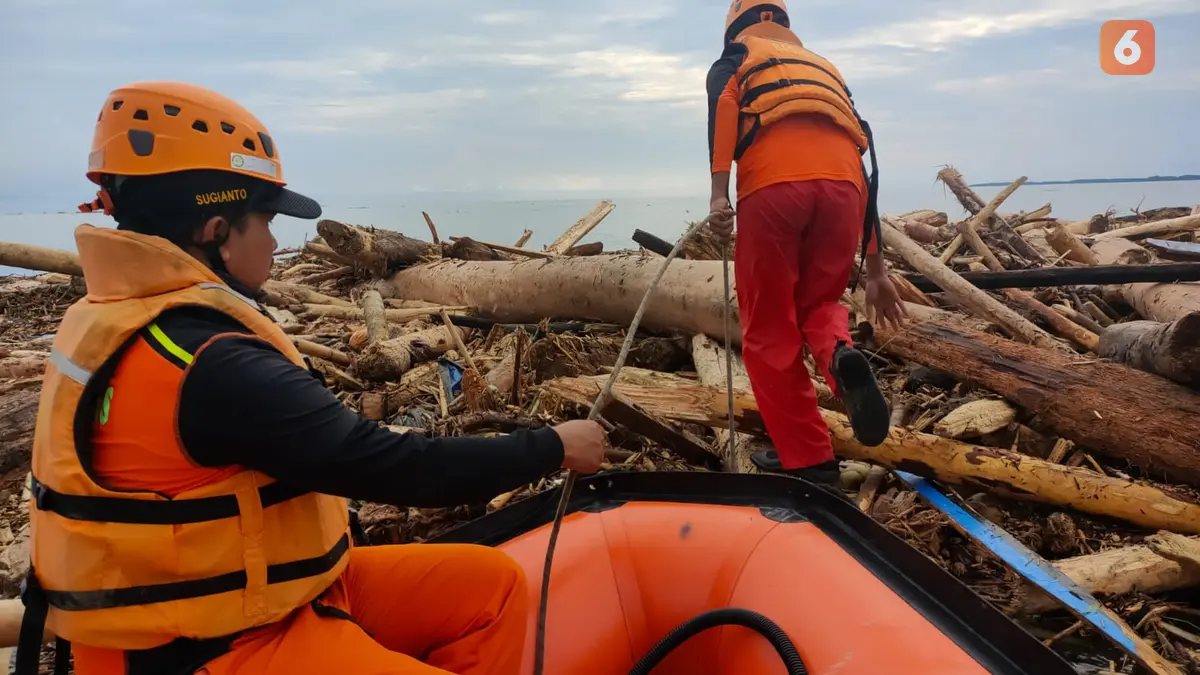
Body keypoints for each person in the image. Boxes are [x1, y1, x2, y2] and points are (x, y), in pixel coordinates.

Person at [16, 81, 608, 675]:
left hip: (260, 596)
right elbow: (389, 466)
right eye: (266, 220)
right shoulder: (214, 362)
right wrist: (553, 447)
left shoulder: (112, 314)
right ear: (215, 230)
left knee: (492, 586)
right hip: (204, 646)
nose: (276, 243)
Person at [705, 2, 908, 487]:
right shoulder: (824, 69)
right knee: (819, 303)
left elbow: (722, 115)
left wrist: (717, 194)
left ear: (734, 26)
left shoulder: (733, 61)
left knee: (769, 327)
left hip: (775, 188)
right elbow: (863, 165)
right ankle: (840, 361)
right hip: (845, 191)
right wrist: (876, 270)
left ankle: (809, 462)